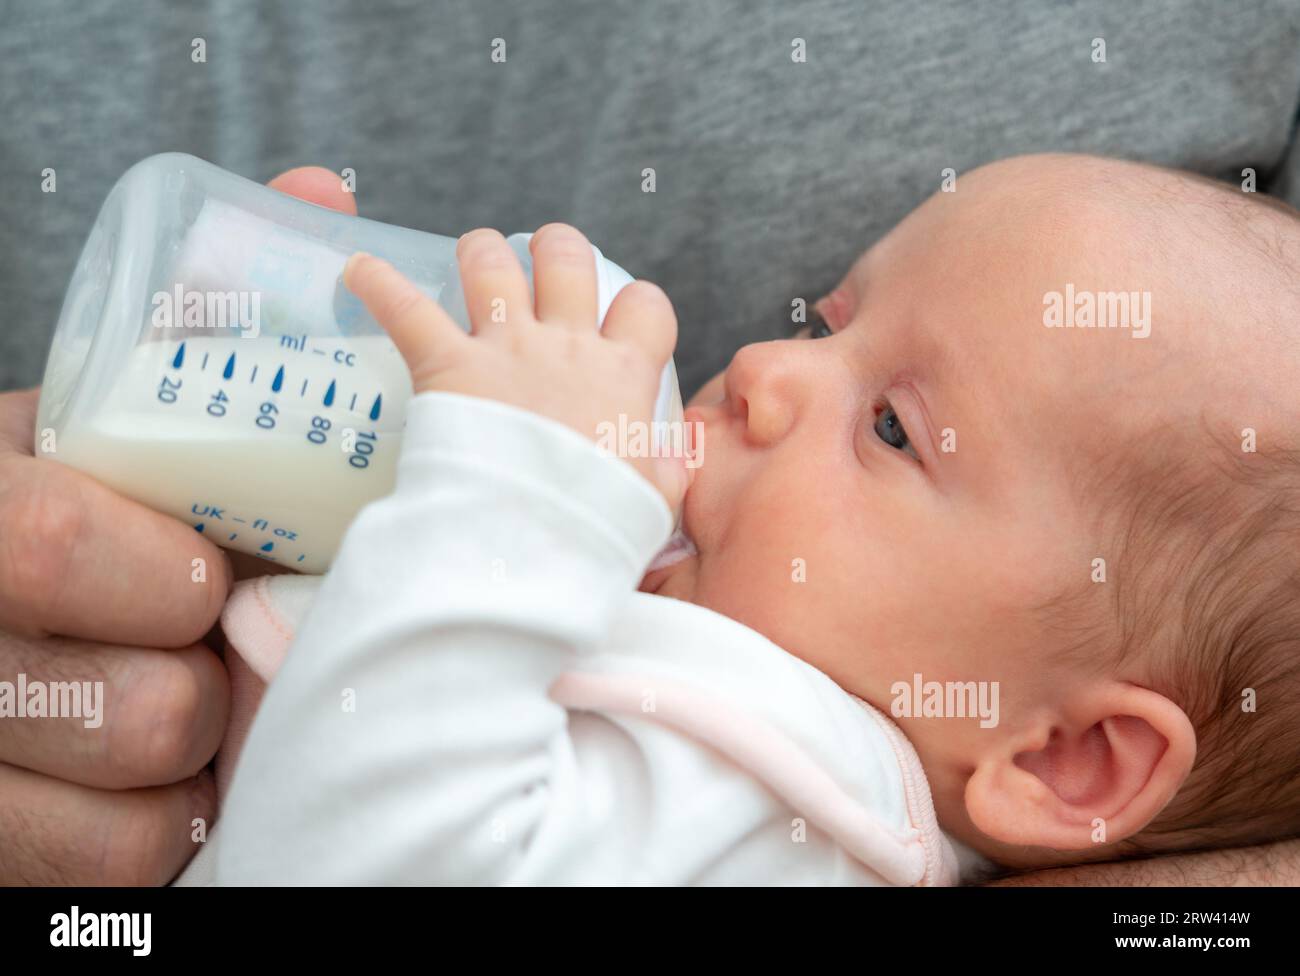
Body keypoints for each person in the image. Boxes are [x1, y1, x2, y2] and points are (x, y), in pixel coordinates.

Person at [2, 0, 1298, 884]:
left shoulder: (787, 811)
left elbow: (356, 858)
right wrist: (306, 372)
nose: (768, 371)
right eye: (830, 323)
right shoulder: (723, 654)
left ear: (1063, 761)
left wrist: (513, 500)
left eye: (894, 427)